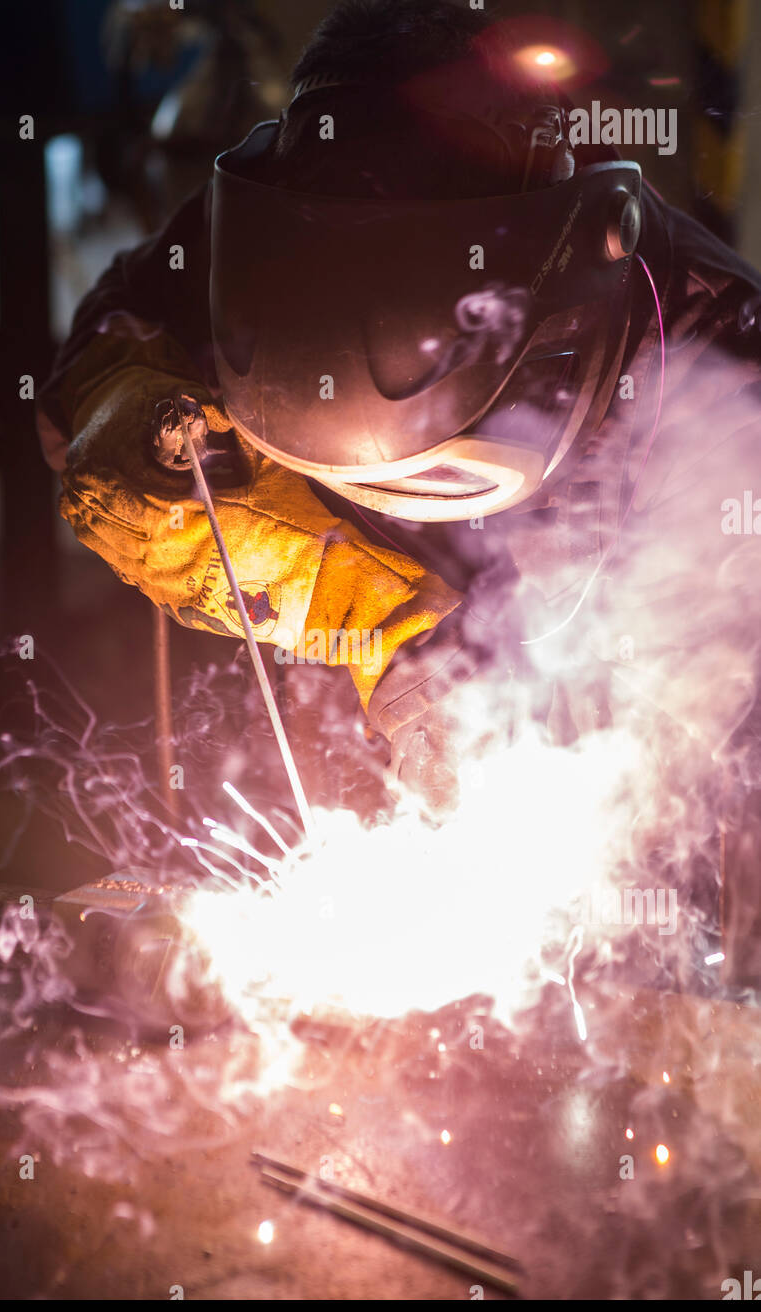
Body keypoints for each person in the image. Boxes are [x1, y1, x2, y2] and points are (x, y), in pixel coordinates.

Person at [37, 0, 761, 884]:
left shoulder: (719, 364)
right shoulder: (260, 227)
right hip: (339, 735)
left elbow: (711, 727)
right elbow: (93, 357)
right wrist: (119, 406)